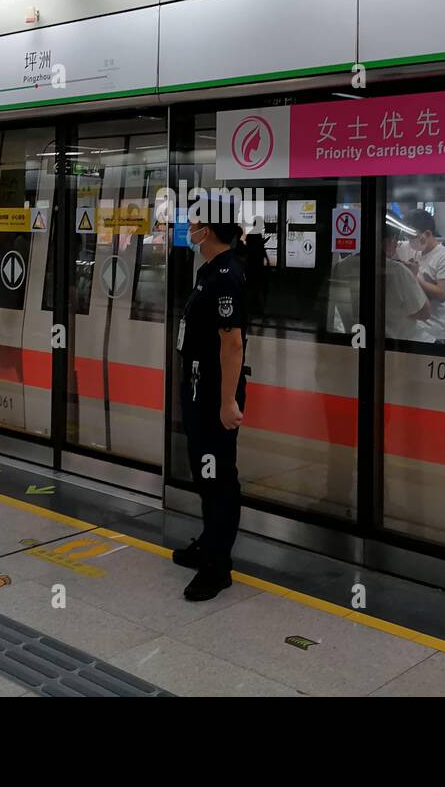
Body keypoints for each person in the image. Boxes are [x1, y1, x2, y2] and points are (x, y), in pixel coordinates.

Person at [173, 192, 249, 602]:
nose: (191, 229)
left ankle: (218, 567)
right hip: (199, 385)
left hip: (214, 392)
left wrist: (227, 401)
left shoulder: (225, 275)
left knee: (218, 476)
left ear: (210, 228)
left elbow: (231, 343)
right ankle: (208, 541)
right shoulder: (210, 268)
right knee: (205, 472)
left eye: (196, 222)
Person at [398, 209, 445, 342]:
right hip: (413, 329)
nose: (410, 242)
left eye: (412, 237)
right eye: (407, 237)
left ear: (427, 234)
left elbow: (442, 294)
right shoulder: (408, 247)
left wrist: (416, 278)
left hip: (434, 331)